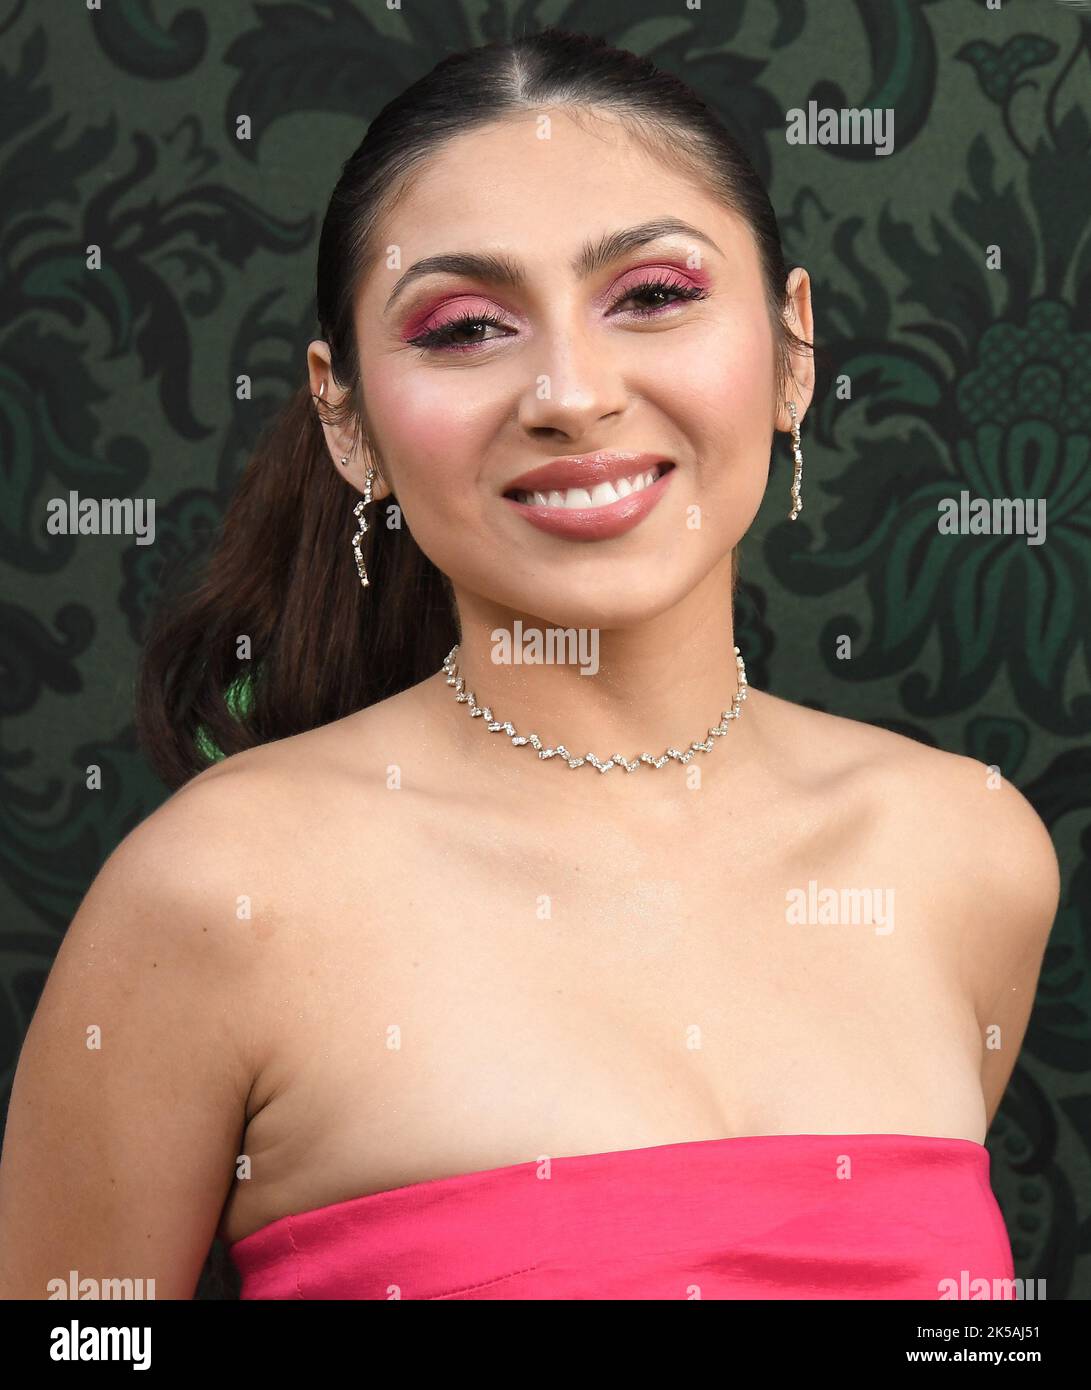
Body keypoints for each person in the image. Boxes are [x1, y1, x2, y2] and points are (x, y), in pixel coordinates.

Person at [0, 29, 1058, 1301]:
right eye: (463, 327)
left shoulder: (963, 850)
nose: (569, 390)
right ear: (348, 419)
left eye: (654, 295)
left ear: (792, 348)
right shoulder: (216, 896)